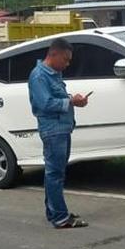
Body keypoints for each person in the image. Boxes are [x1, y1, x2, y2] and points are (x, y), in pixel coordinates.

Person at [28, 38, 90, 229]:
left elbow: (58, 98)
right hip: (53, 130)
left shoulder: (54, 74)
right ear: (53, 54)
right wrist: (71, 102)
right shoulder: (39, 76)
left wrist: (73, 99)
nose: (67, 64)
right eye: (65, 59)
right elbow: (44, 103)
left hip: (62, 128)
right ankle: (61, 217)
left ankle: (54, 211)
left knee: (56, 173)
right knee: (55, 173)